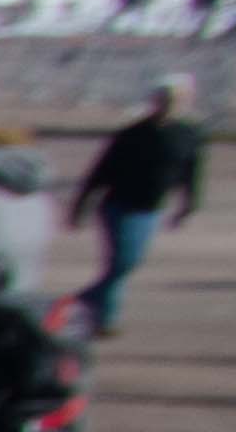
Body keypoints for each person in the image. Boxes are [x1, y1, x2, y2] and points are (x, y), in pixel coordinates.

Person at [73, 75, 196, 336]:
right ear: (155, 101)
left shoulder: (187, 134)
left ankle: (81, 303)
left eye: (176, 100)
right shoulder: (132, 134)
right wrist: (81, 206)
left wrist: (188, 206)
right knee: (122, 262)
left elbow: (192, 172)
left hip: (150, 210)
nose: (169, 104)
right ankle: (105, 320)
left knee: (128, 264)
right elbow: (101, 171)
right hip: (118, 206)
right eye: (164, 99)